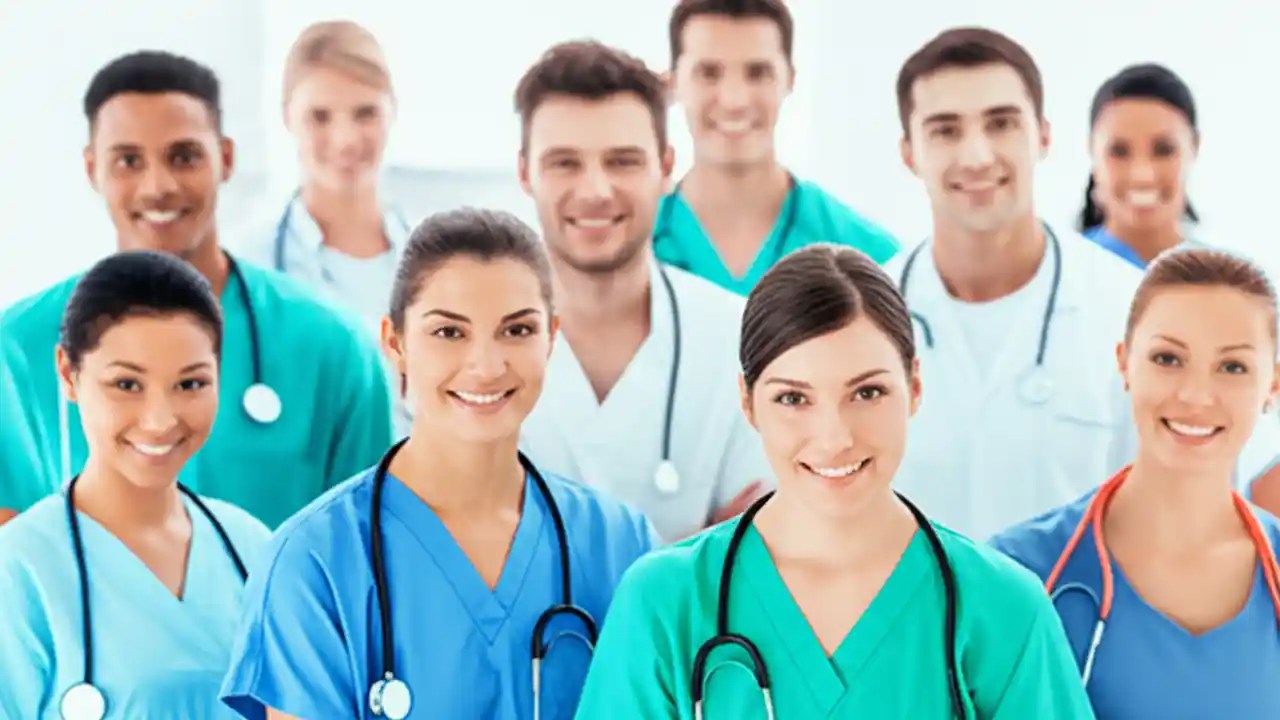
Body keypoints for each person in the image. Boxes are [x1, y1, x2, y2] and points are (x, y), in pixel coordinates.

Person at [574, 245, 1095, 719]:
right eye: (793, 399)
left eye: (867, 393)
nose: (834, 438)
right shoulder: (667, 604)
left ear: (914, 387)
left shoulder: (1001, 608)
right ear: (747, 402)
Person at [219, 208, 660, 720]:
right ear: (395, 343)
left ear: (552, 338)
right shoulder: (314, 562)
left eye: (517, 331)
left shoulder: (619, 546)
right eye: (450, 333)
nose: (486, 365)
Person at [884, 27, 1279, 540]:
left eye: (1001, 123)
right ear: (910, 152)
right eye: (945, 129)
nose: (977, 155)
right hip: (909, 618)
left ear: (1044, 137)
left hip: (1086, 618)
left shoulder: (1132, 307)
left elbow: (1253, 470)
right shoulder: (863, 316)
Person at [0, 51, 393, 528]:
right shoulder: (19, 346)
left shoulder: (333, 347)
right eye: (128, 160)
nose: (158, 185)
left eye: (183, 157)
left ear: (225, 159)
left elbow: (366, 541)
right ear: (91, 169)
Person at [991, 248, 1280, 718]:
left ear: (1272, 386)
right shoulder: (1023, 575)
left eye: (1232, 367)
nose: (1195, 395)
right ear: (1125, 364)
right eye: (1168, 358)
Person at [511, 40, 774, 543]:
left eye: (622, 161)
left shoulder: (740, 338)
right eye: (564, 163)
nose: (594, 191)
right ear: (525, 172)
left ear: (666, 166)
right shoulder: (464, 344)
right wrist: (685, 556)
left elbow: (753, 549)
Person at [0, 251, 271, 719]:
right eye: (127, 384)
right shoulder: (20, 569)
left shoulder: (253, 548)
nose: (160, 420)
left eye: (190, 384)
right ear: (68, 374)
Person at [654, 0, 899, 295]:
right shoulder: (631, 248)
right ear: (673, 83)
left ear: (790, 80)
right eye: (708, 73)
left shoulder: (872, 260)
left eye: (758, 73)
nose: (734, 100)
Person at [235, 20, 407, 338]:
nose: (345, 140)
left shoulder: (433, 257)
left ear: (392, 111)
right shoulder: (251, 267)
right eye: (320, 117)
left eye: (365, 113)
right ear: (287, 117)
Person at [1077, 63, 1203, 268]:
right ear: (1091, 150)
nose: (1142, 175)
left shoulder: (1232, 283)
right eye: (1118, 151)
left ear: (1194, 146)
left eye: (1164, 150)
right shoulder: (1057, 274)